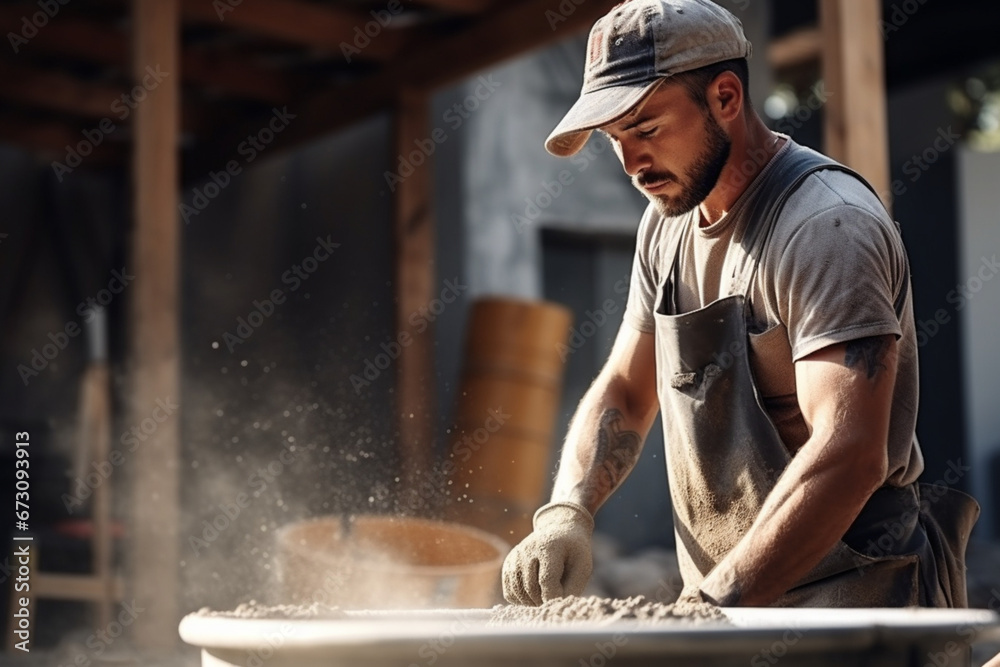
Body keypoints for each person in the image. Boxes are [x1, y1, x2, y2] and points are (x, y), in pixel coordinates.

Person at [501, 0, 979, 608]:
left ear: (726, 97)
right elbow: (625, 389)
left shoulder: (825, 226)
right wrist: (567, 510)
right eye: (614, 138)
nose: (631, 164)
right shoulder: (665, 227)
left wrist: (712, 610)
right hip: (733, 607)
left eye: (645, 129)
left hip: (855, 606)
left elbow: (851, 454)